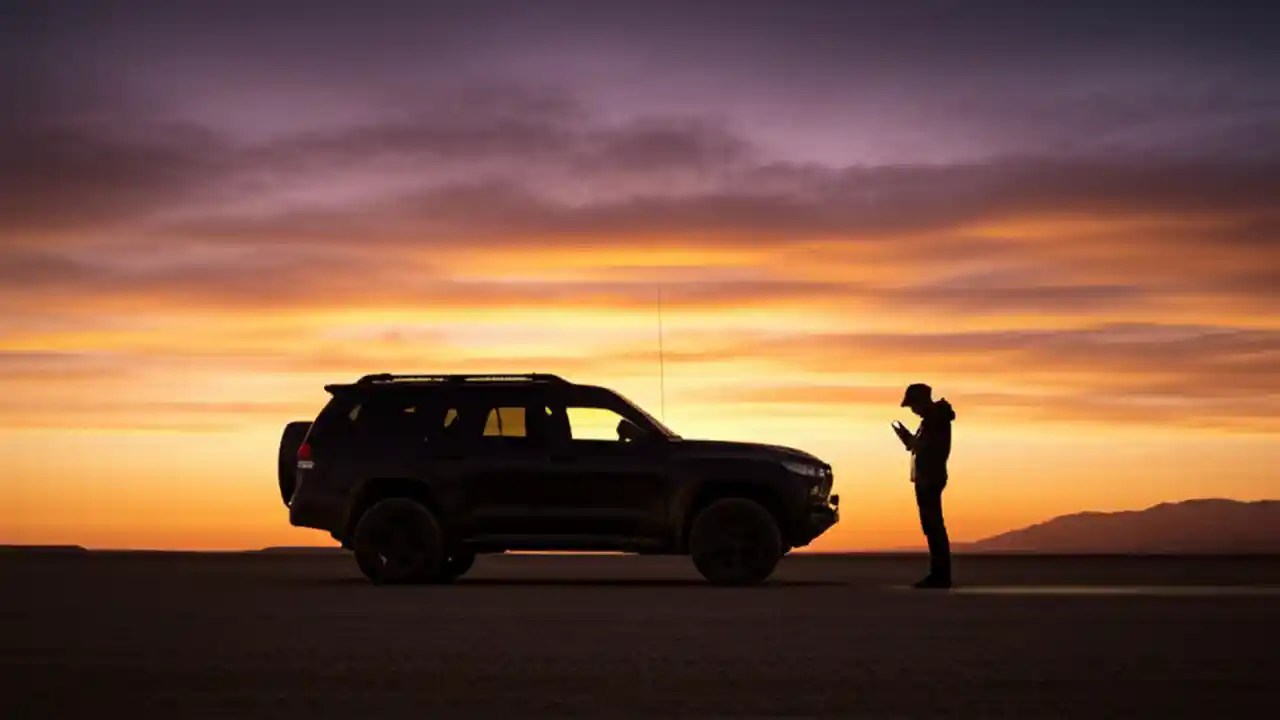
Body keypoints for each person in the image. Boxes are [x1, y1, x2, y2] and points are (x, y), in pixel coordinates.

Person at [892, 383, 956, 589]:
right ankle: (939, 574)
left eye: (913, 405)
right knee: (932, 526)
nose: (912, 410)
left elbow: (926, 448)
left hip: (930, 477)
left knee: (934, 526)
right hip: (927, 477)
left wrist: (908, 439)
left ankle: (940, 575)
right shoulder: (933, 420)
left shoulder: (934, 421)